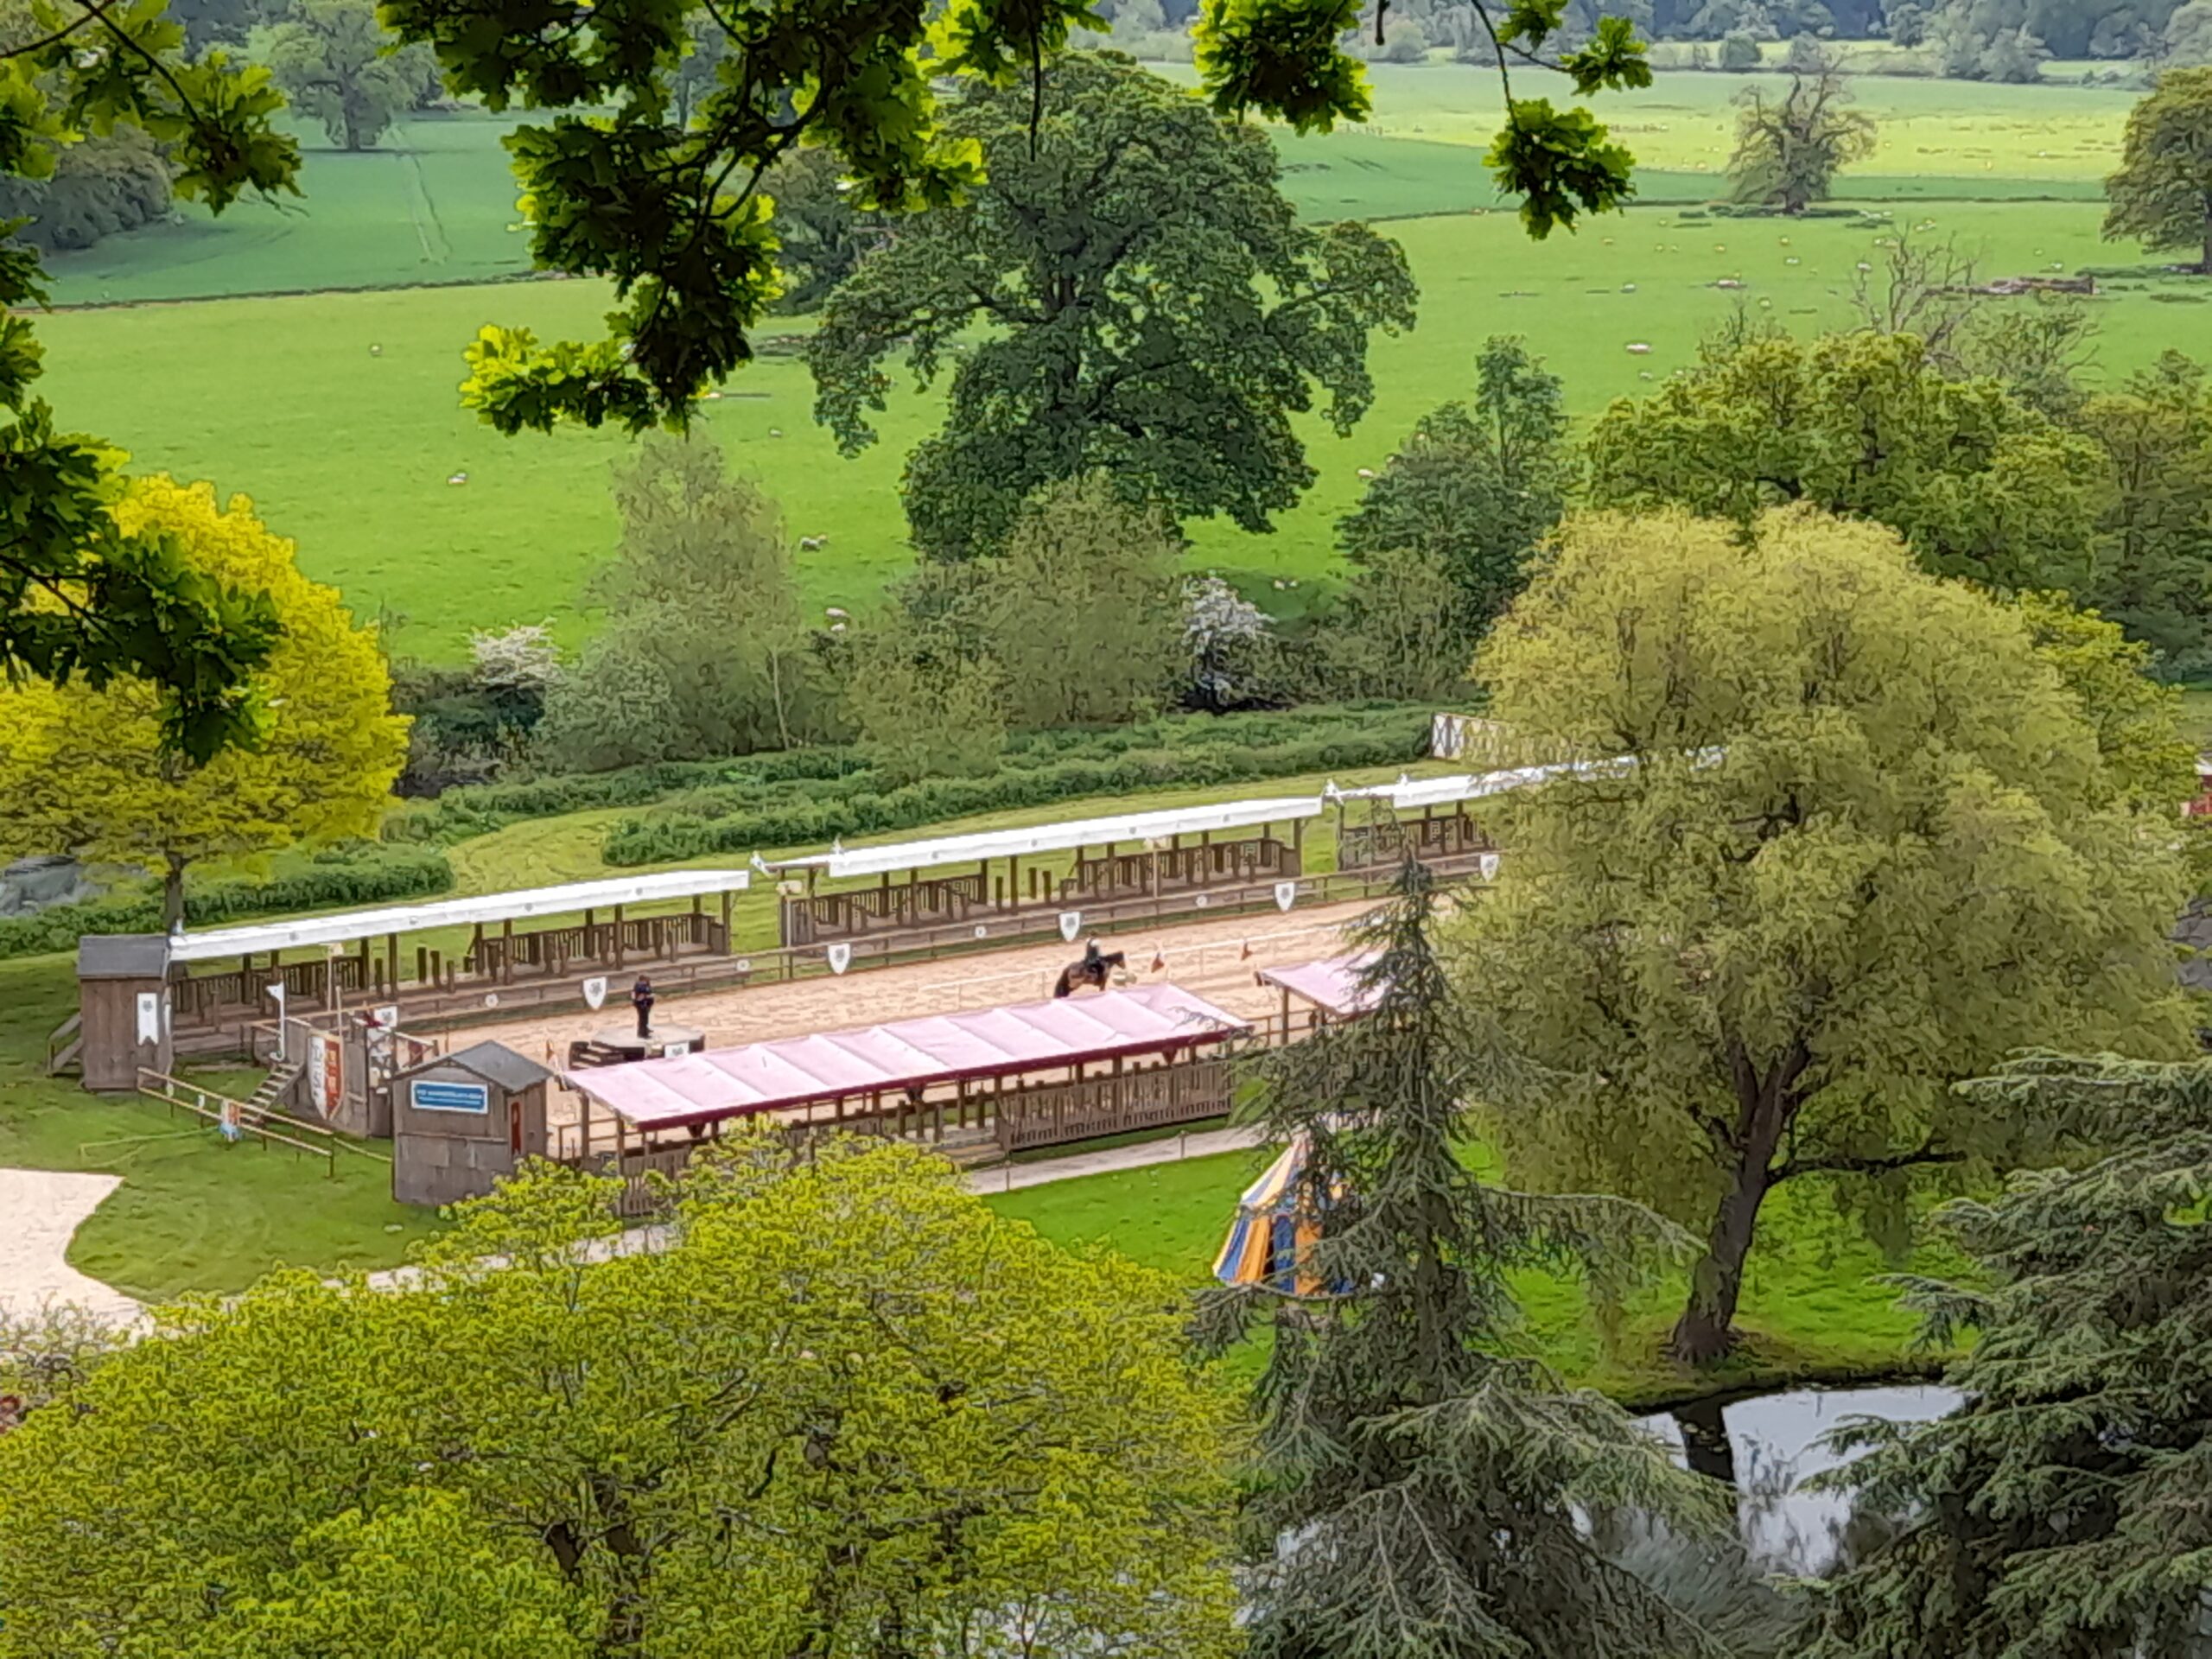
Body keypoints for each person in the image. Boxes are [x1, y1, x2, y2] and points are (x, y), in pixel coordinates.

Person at [631, 974, 655, 1040]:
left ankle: (644, 1031)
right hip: (642, 1004)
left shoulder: (639, 985)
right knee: (643, 1019)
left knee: (644, 1019)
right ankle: (643, 1034)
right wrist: (650, 996)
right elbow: (643, 995)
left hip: (644, 1004)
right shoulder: (641, 986)